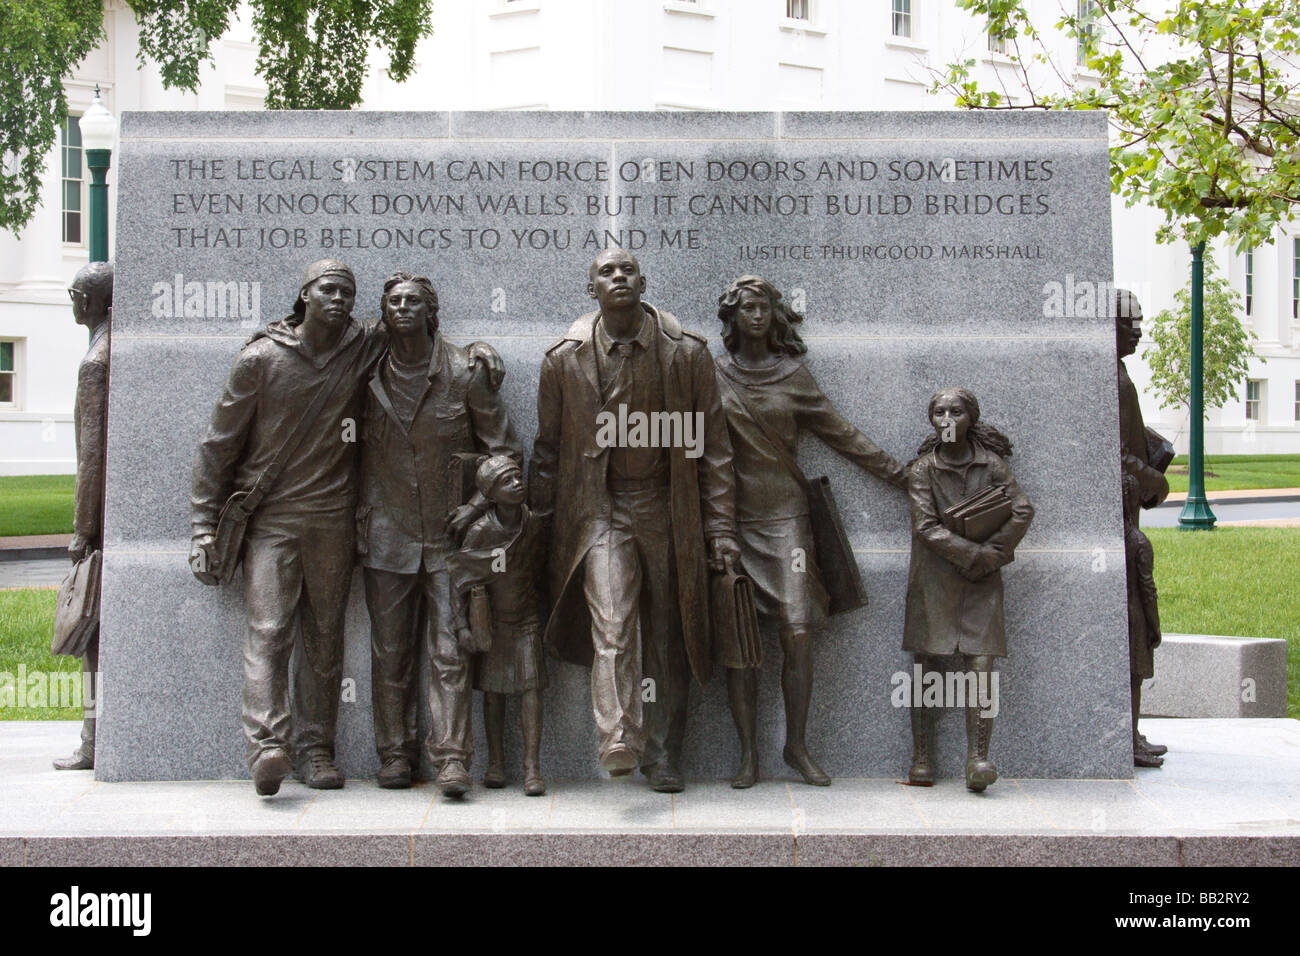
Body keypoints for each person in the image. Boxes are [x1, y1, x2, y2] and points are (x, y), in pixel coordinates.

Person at [529, 249, 739, 793]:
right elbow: (547, 452)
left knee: (671, 635)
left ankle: (665, 755)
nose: (618, 277)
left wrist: (719, 529)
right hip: (600, 512)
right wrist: (537, 528)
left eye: (627, 271)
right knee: (613, 623)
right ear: (590, 288)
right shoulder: (563, 360)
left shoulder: (686, 354)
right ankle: (619, 735)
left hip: (668, 511)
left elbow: (714, 449)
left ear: (644, 283)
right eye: (606, 272)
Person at [190, 259, 388, 796]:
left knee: (325, 638)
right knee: (270, 631)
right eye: (328, 289)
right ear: (304, 295)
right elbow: (218, 446)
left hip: (334, 521)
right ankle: (266, 746)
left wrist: (478, 353)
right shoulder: (259, 359)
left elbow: (418, 326)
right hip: (273, 521)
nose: (340, 299)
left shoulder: (361, 347)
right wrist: (203, 525)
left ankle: (315, 748)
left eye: (348, 292)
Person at [713, 275, 908, 788]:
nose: (756, 316)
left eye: (764, 308)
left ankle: (797, 745)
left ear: (776, 318)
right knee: (742, 640)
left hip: (787, 520)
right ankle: (747, 753)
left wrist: (900, 474)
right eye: (747, 308)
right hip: (733, 522)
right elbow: (699, 452)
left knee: (798, 633)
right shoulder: (712, 376)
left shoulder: (793, 376)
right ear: (731, 318)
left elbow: (842, 434)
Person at [357, 273, 519, 795]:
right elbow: (315, 334)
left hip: (451, 542)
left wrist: (476, 504)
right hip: (386, 532)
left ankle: (452, 758)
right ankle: (394, 755)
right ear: (383, 311)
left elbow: (505, 452)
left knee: (451, 652)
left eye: (414, 302)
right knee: (390, 653)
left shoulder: (463, 371)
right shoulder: (366, 369)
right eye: (395, 301)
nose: (403, 308)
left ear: (432, 312)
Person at [903, 388, 1033, 792]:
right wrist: (970, 554)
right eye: (939, 412)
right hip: (934, 580)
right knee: (927, 665)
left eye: (955, 412)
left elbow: (1022, 509)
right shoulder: (922, 469)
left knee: (981, 666)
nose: (947, 419)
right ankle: (922, 758)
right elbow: (924, 526)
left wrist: (991, 553)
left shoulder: (991, 465)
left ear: (970, 418)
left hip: (982, 579)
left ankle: (978, 758)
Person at [448, 455, 547, 796]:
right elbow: (458, 580)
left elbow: (542, 568)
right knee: (494, 695)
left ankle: (532, 767)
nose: (518, 484)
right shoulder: (480, 531)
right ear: (490, 494)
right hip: (492, 623)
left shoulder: (533, 523)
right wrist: (462, 627)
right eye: (507, 481)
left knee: (532, 690)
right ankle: (496, 762)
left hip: (526, 619)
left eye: (519, 478)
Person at [53, 261, 113, 771]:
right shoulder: (117, 350)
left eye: (76, 293)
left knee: (92, 635)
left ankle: (94, 739)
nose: (72, 301)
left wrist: (83, 530)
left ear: (94, 302)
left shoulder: (97, 360)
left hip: (102, 525)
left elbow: (90, 455)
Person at [1115, 289, 1170, 767]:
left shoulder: (1121, 375)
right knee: (1133, 628)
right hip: (1123, 521)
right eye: (1129, 321)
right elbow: (1114, 452)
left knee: (1139, 629)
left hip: (1129, 519)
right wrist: (1153, 478)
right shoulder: (1112, 379)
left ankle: (1130, 731)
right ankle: (1123, 735)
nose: (1137, 329)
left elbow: (1128, 439)